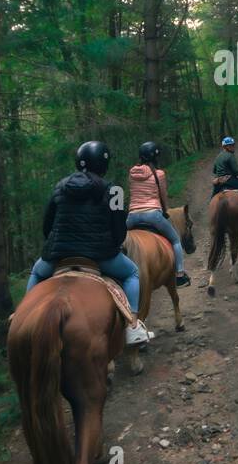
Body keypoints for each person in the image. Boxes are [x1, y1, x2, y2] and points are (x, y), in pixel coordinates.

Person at [25, 140, 152, 346]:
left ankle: (24, 316)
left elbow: (47, 225)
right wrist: (113, 245)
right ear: (103, 164)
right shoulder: (114, 190)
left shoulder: (60, 186)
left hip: (59, 255)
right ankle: (132, 326)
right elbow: (119, 229)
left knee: (37, 273)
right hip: (99, 255)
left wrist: (55, 246)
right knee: (132, 273)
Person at [127, 141, 191, 286]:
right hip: (152, 214)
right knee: (175, 240)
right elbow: (163, 195)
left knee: (119, 242)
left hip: (132, 216)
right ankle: (180, 275)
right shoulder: (159, 174)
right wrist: (165, 210)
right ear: (155, 157)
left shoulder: (132, 173)